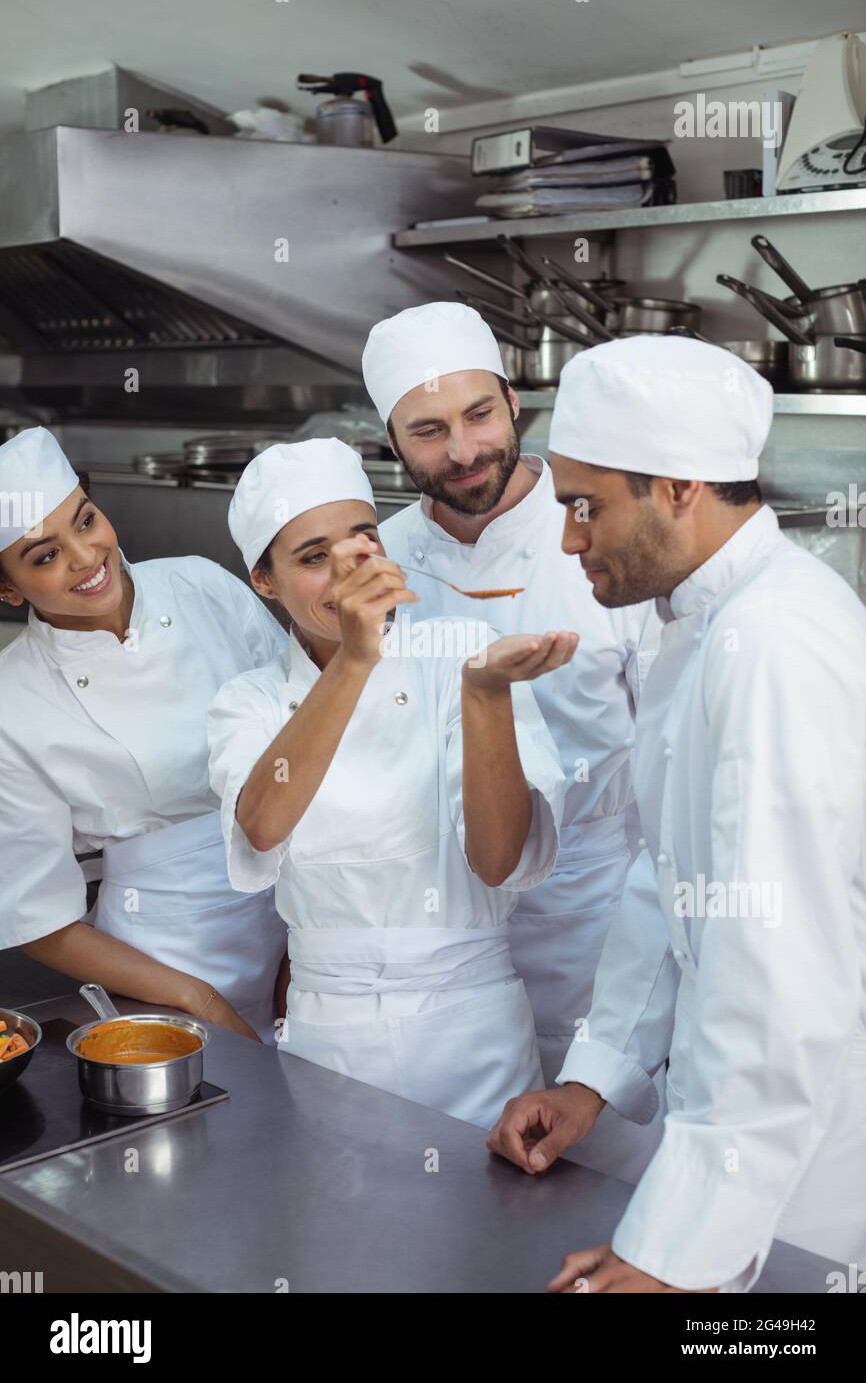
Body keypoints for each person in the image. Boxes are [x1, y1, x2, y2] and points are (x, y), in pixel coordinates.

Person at [488, 335, 866, 1292]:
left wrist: (677, 1254)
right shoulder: (703, 625)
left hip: (806, 1155)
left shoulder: (774, 647)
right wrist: (594, 1078)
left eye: (586, 505)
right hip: (743, 1145)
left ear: (680, 488)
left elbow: (776, 980)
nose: (569, 539)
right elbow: (672, 877)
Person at [362, 301, 665, 1179]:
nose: (461, 451)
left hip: (597, 923)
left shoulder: (605, 541)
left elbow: (673, 760)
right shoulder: (374, 561)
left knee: (610, 1190)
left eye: (479, 416)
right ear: (389, 441)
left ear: (513, 402)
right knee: (468, 1198)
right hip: (441, 941)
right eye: (428, 431)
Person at [206, 438, 572, 1127]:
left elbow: (498, 864)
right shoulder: (247, 703)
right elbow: (261, 823)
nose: (350, 567)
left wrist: (486, 696)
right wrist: (353, 661)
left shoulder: (466, 653)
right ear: (265, 581)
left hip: (477, 1033)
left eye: (364, 538)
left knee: (494, 1230)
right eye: (313, 558)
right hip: (331, 1040)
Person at [0, 427, 289, 1040]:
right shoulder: (12, 701)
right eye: (44, 555)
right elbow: (40, 917)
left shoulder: (201, 585)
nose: (83, 557)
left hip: (305, 916)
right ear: (7, 588)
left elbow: (304, 733)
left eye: (84, 520)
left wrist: (310, 937)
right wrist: (198, 997)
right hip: (163, 965)